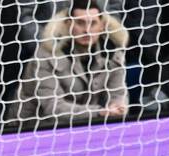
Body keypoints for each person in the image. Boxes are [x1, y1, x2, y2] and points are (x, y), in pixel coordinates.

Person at [10, 1, 130, 130]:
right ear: (68, 24)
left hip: (83, 124)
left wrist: (117, 107)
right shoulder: (45, 54)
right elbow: (53, 107)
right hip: (32, 128)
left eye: (93, 23)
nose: (87, 30)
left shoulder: (112, 52)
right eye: (80, 23)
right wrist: (99, 112)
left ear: (102, 26)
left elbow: (119, 94)